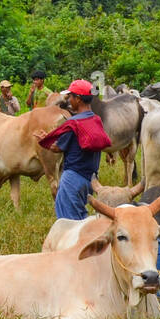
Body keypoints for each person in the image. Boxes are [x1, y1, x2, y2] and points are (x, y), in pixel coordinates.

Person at [40, 79, 112, 220]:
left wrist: (44, 140)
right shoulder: (96, 119)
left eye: (70, 97)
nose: (69, 100)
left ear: (78, 99)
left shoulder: (73, 123)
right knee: (80, 216)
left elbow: (56, 148)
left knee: (68, 223)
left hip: (72, 178)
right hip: (89, 180)